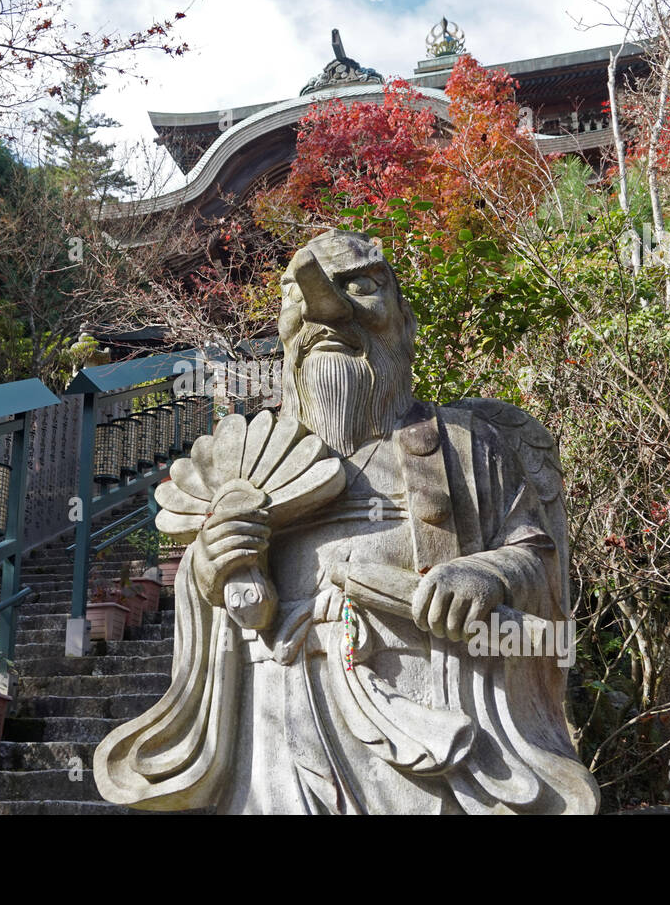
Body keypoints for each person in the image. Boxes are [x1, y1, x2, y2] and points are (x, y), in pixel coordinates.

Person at [94, 230, 599, 814]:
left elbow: (535, 556)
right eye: (297, 299)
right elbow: (235, 608)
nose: (327, 315)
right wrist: (211, 569)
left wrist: (487, 576)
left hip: (428, 698)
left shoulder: (466, 444)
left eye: (362, 287)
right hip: (281, 707)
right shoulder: (252, 459)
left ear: (405, 323)